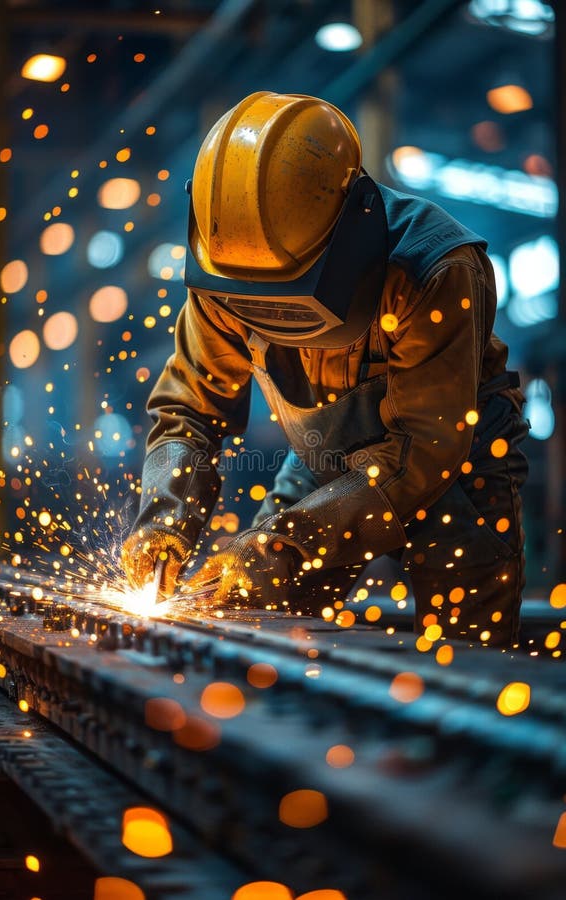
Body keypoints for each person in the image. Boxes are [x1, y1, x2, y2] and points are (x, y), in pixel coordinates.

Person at [121, 91, 529, 647]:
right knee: (250, 610)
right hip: (325, 460)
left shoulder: (435, 268)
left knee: (467, 668)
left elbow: (426, 449)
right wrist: (165, 519)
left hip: (454, 464)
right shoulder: (223, 270)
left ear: (347, 225)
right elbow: (191, 410)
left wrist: (288, 541)